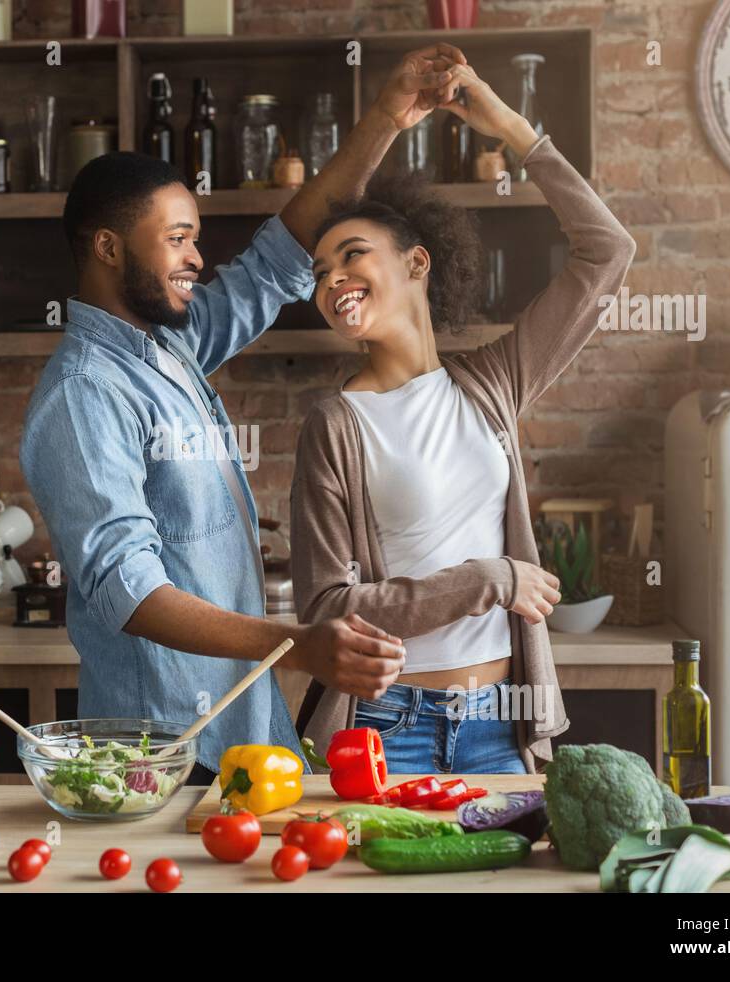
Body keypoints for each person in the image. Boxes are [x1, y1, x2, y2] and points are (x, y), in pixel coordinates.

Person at [21, 48, 470, 783]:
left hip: (237, 727)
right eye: (177, 240)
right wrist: (294, 640)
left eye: (194, 237)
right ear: (107, 248)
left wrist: (386, 116)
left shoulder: (171, 346)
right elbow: (126, 589)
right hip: (163, 754)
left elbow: (277, 260)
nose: (197, 258)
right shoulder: (83, 394)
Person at [292, 62, 638, 775]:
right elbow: (327, 610)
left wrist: (510, 128)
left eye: (351, 256)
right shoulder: (336, 425)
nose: (332, 281)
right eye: (320, 272)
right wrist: (487, 579)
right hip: (387, 729)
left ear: (417, 263)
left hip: (499, 725)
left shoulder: (493, 384)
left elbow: (608, 253)